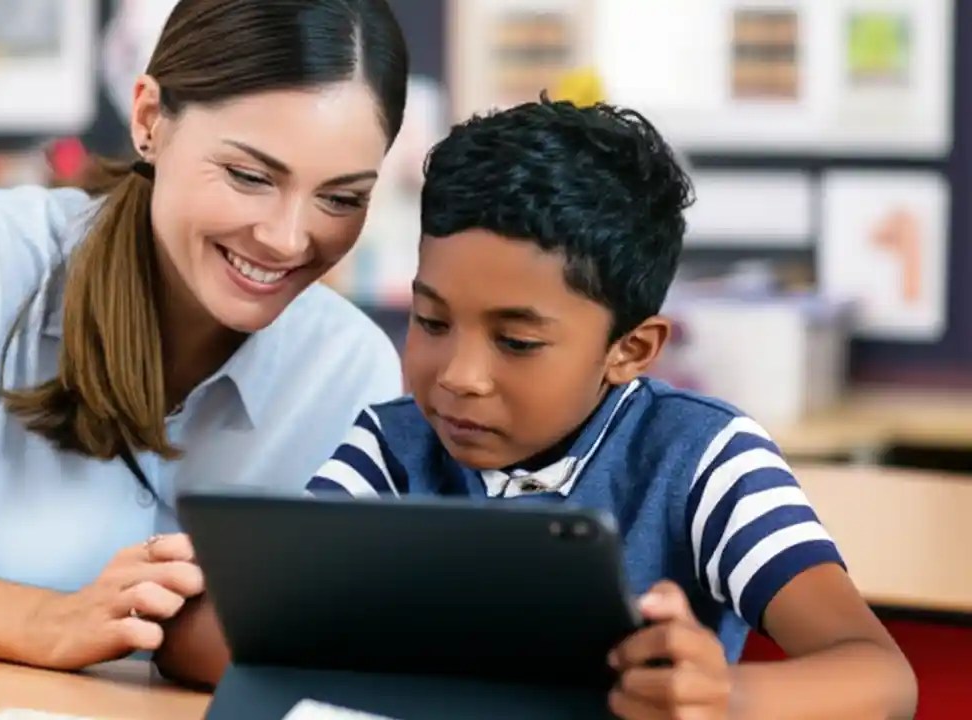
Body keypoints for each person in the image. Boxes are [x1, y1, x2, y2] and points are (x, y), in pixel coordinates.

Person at [0, 0, 409, 684]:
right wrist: (48, 622)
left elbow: (324, 636)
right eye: (249, 177)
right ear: (149, 120)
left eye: (341, 199)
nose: (287, 239)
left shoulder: (350, 366)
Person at [306, 97, 918, 718]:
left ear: (630, 350)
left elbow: (885, 679)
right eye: (432, 321)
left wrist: (726, 699)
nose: (458, 377)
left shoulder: (704, 459)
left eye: (516, 342)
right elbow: (267, 632)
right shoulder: (388, 450)